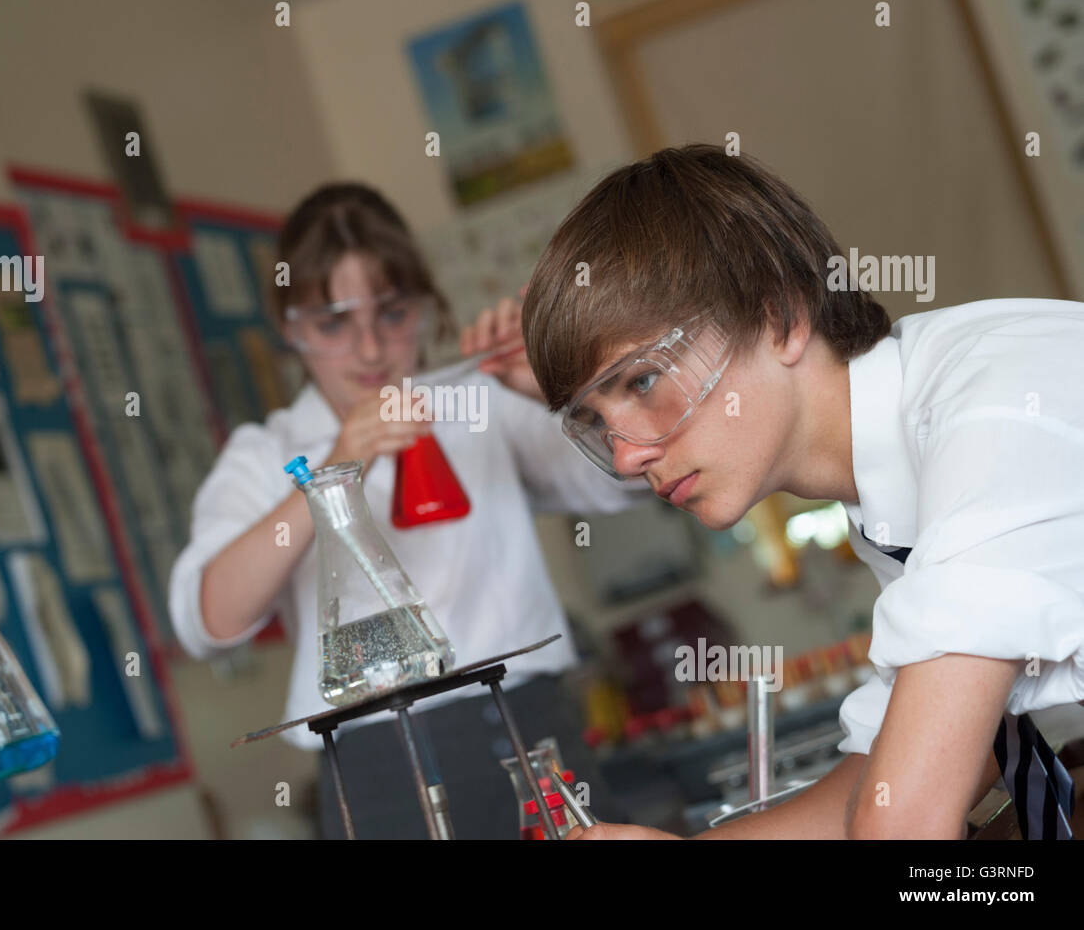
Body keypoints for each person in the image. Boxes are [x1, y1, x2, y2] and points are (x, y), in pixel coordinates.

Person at [520, 144, 1084, 840]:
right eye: (597, 425)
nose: (629, 455)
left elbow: (901, 822)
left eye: (642, 380)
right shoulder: (892, 486)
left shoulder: (989, 414)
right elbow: (889, 778)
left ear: (781, 317)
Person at [169, 183, 646, 838]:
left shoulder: (476, 402)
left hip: (533, 726)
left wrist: (552, 389)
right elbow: (208, 619)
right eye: (334, 323)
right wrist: (336, 467)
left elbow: (630, 477)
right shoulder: (268, 452)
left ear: (425, 306)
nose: (370, 349)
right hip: (379, 767)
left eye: (392, 314)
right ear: (291, 327)